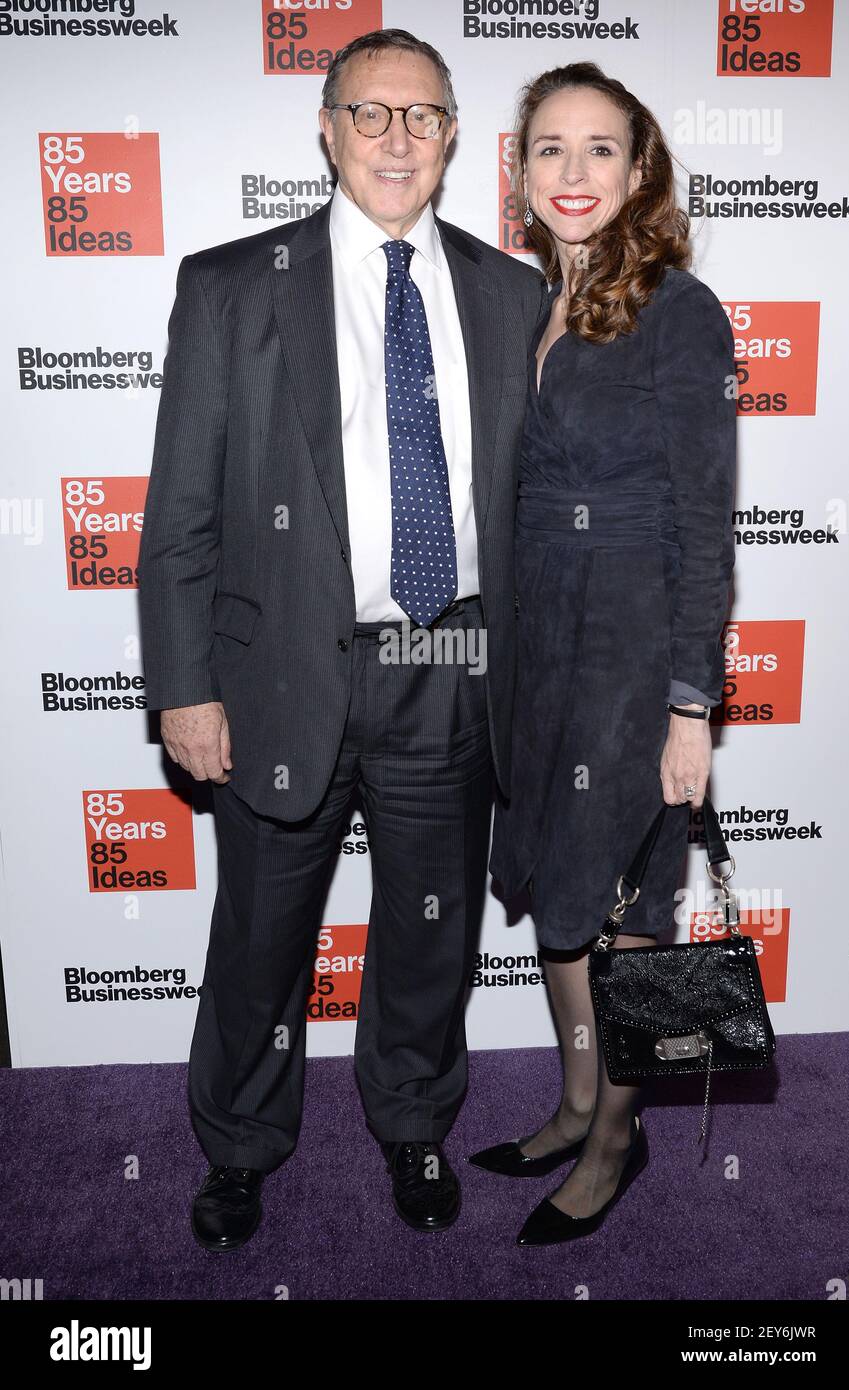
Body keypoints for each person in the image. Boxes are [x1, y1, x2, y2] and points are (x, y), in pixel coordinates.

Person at [137, 28, 546, 1251]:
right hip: (276, 677)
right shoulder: (227, 286)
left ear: (453, 137)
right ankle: (241, 1146)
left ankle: (412, 1120)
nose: (396, 139)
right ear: (325, 129)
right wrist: (183, 687)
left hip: (452, 668)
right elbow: (179, 516)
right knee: (261, 938)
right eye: (370, 115)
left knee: (429, 929)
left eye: (422, 117)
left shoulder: (510, 290)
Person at [475, 62, 737, 1246]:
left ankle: (617, 1134)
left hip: (632, 642)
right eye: (548, 149)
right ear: (518, 172)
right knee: (560, 891)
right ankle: (578, 1096)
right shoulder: (528, 299)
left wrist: (690, 702)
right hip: (543, 638)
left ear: (638, 174)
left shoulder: (677, 309)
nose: (571, 173)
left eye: (598, 150)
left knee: (626, 907)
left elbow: (703, 517)